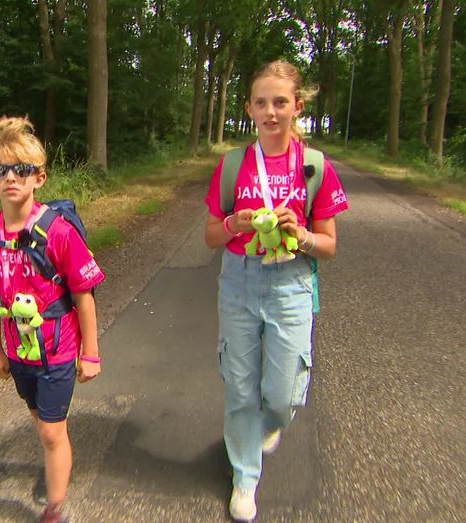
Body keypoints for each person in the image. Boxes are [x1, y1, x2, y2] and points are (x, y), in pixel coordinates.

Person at [203, 60, 349, 522]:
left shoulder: (314, 167)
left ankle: (270, 423)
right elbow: (209, 235)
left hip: (291, 282)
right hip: (240, 279)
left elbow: (328, 246)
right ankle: (245, 478)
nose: (270, 112)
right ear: (249, 108)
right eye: (261, 102)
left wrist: (301, 233)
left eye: (280, 102)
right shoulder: (232, 166)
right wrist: (232, 223)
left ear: (296, 107)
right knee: (240, 385)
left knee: (282, 395)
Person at [0, 116, 104, 523]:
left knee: (49, 430)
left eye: (22, 169)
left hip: (59, 349)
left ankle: (54, 507)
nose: (11, 177)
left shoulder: (59, 233)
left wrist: (92, 353)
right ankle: (57, 448)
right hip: (19, 353)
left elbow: (83, 295)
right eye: (0, 170)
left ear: (39, 178)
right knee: (42, 420)